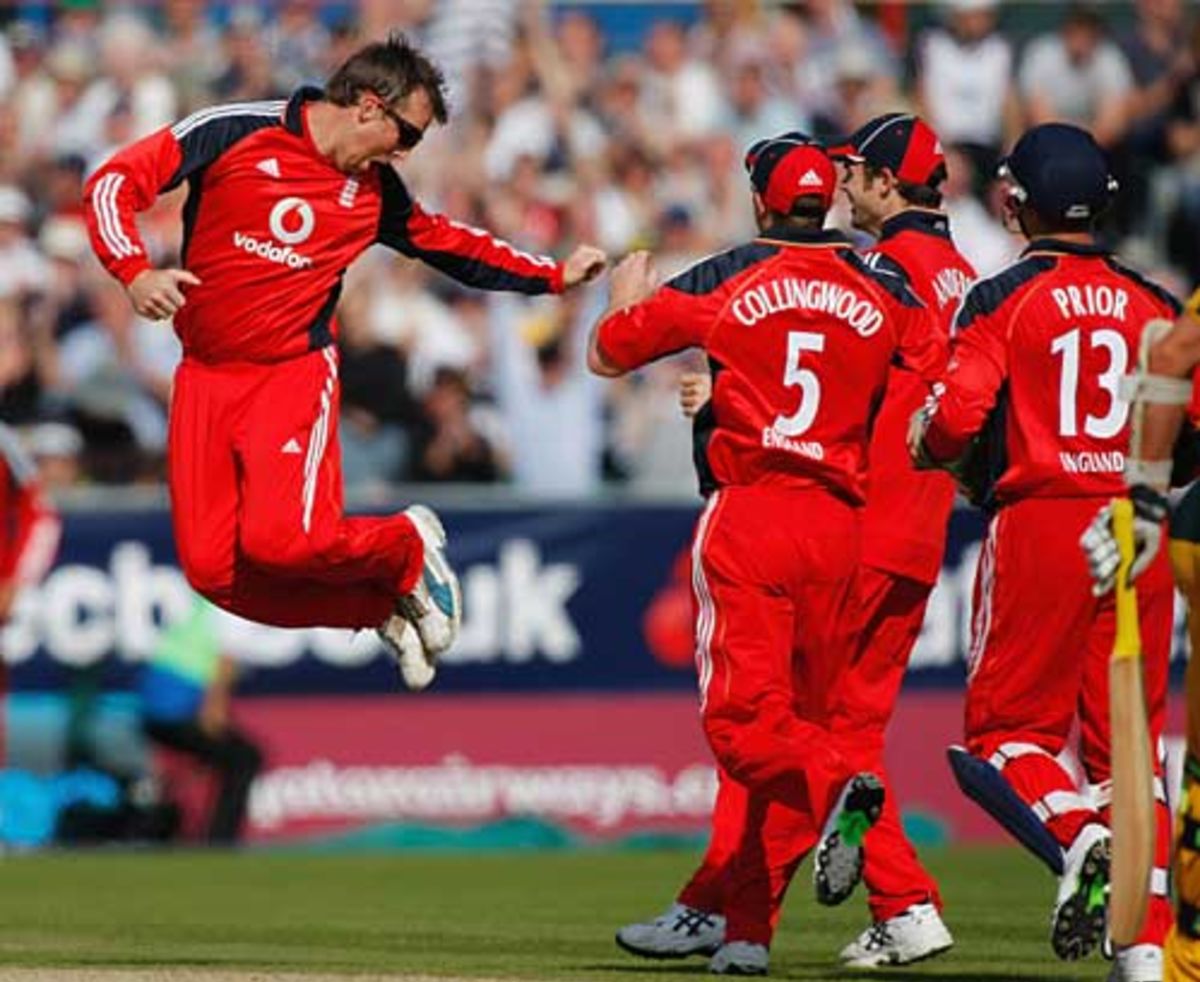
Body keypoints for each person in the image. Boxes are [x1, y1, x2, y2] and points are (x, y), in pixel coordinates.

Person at [82, 34, 606, 690]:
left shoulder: (375, 192)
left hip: (289, 372)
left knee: (284, 542)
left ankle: (407, 545)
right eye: (407, 134)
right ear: (366, 107)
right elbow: (112, 183)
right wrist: (132, 272)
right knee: (213, 574)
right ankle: (377, 608)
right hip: (205, 374)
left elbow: (452, 245)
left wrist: (554, 276)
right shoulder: (237, 131)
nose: (405, 153)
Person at [616, 117, 971, 971]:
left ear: (888, 184)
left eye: (856, 172)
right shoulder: (948, 273)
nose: (844, 188)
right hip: (894, 526)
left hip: (850, 515)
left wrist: (752, 402)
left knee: (795, 737)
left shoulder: (886, 267)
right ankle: (729, 917)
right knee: (794, 732)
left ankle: (906, 901)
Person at [910, 123, 1179, 982]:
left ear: (1014, 203)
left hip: (1046, 516)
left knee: (1002, 737)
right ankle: (1148, 950)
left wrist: (928, 439)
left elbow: (953, 421)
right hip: (1142, 524)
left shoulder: (999, 298)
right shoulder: (1154, 300)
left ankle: (1077, 837)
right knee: (1125, 754)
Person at [139, 595, 262, 845]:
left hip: (153, 708)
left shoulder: (211, 598)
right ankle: (219, 842)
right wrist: (215, 715)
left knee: (225, 755)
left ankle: (163, 826)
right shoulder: (239, 604)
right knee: (245, 758)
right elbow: (225, 663)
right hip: (177, 708)